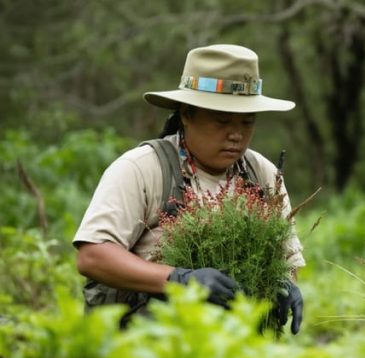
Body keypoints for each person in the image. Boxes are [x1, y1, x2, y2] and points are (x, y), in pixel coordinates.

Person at [74, 44, 305, 334]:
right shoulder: (142, 168)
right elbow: (93, 256)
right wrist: (178, 279)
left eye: (247, 122)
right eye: (222, 120)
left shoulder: (264, 175)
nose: (236, 134)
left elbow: (288, 261)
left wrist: (285, 285)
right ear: (187, 113)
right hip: (148, 351)